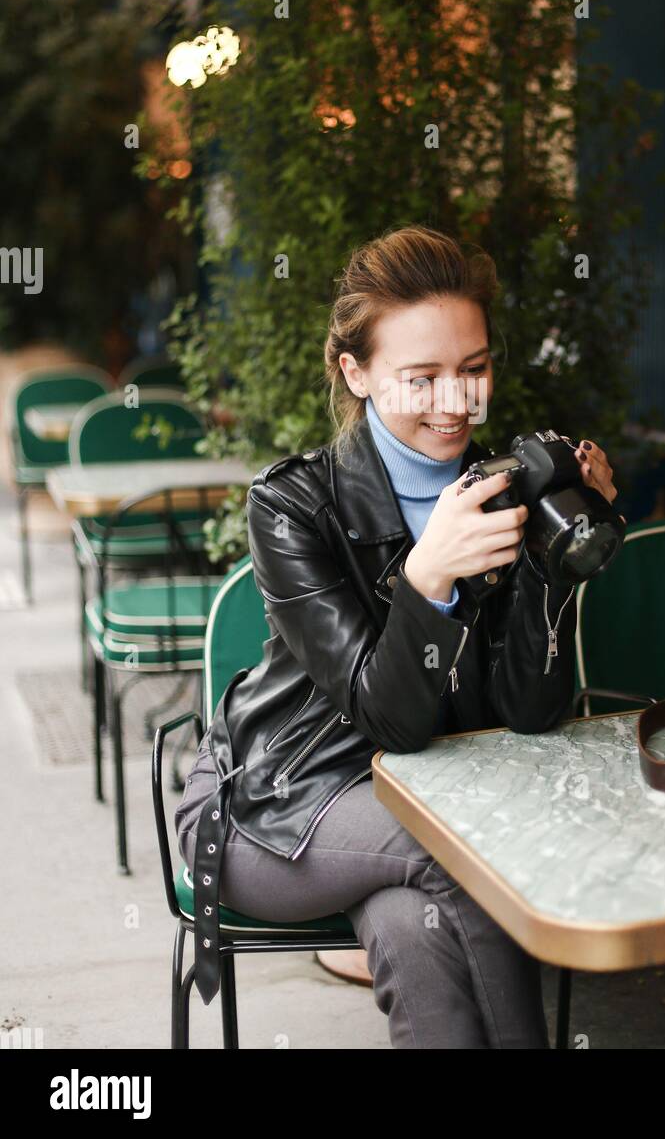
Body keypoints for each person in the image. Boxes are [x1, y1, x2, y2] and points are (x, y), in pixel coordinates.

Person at [175, 225, 618, 1049]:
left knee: (417, 928)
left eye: (474, 370)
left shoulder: (502, 491)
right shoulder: (292, 507)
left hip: (419, 816)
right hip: (276, 807)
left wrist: (556, 566)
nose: (455, 404)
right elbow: (394, 721)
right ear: (358, 372)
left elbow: (528, 713)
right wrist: (429, 579)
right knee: (466, 857)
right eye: (421, 378)